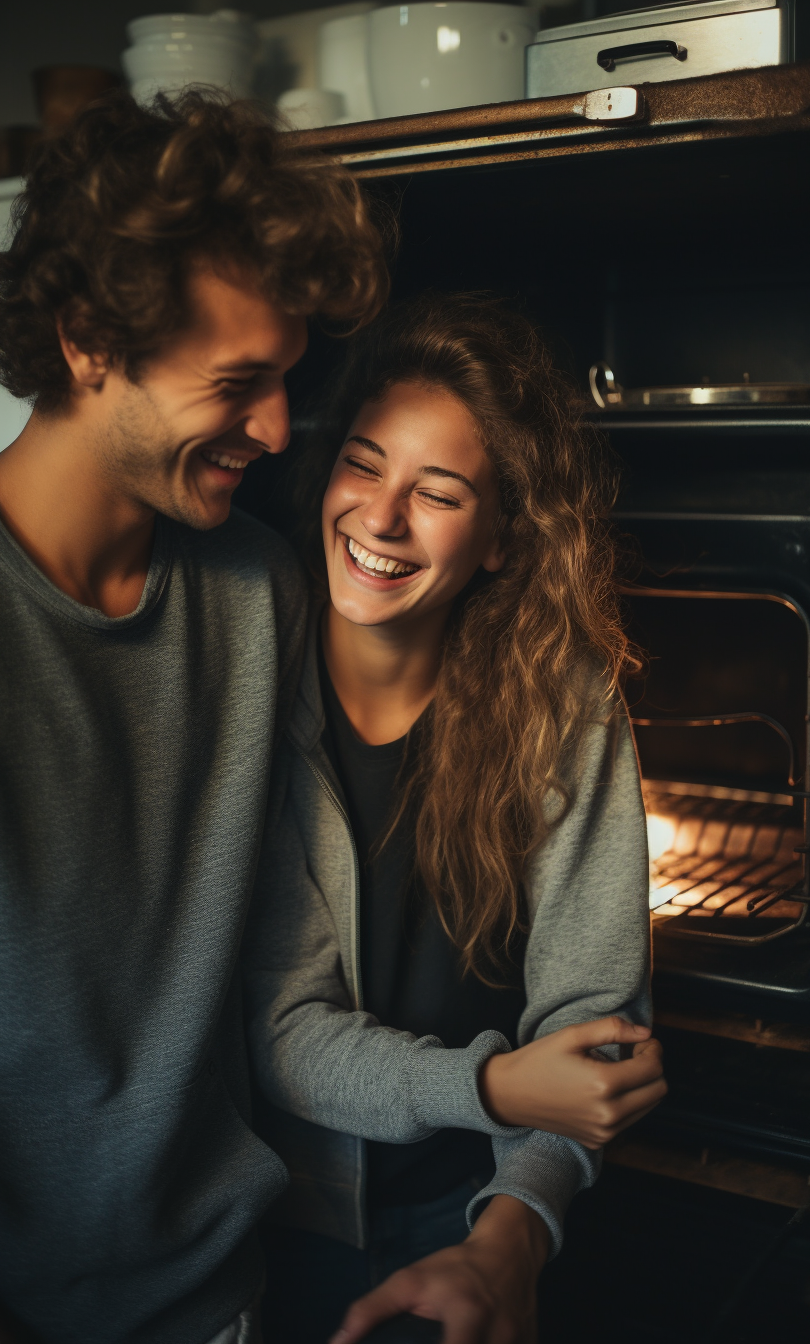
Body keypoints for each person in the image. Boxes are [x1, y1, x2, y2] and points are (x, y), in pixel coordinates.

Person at [0, 90, 386, 1344]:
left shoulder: (256, 589)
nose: (277, 432)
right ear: (85, 341)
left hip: (221, 1300)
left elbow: (282, 961)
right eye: (238, 384)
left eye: (287, 381)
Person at [245, 294, 668, 1344]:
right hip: (276, 1212)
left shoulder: (564, 701)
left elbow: (593, 1028)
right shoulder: (247, 677)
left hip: (481, 1200)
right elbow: (281, 1037)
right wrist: (489, 1085)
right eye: (362, 464)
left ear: (497, 542)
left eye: (436, 494)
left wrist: (512, 1227)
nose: (380, 520)